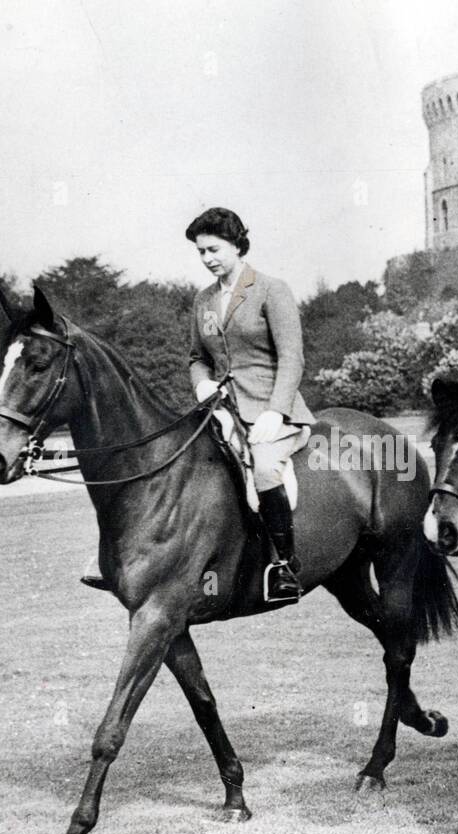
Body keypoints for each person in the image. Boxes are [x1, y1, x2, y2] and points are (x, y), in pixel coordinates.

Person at [82, 207, 314, 604]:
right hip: (220, 409)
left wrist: (276, 412)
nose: (207, 259)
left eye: (213, 249)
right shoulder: (203, 301)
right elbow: (196, 357)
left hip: (272, 411)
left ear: (237, 245)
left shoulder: (271, 290)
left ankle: (284, 566)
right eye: (201, 252)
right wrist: (203, 383)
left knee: (264, 468)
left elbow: (292, 357)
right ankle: (133, 556)